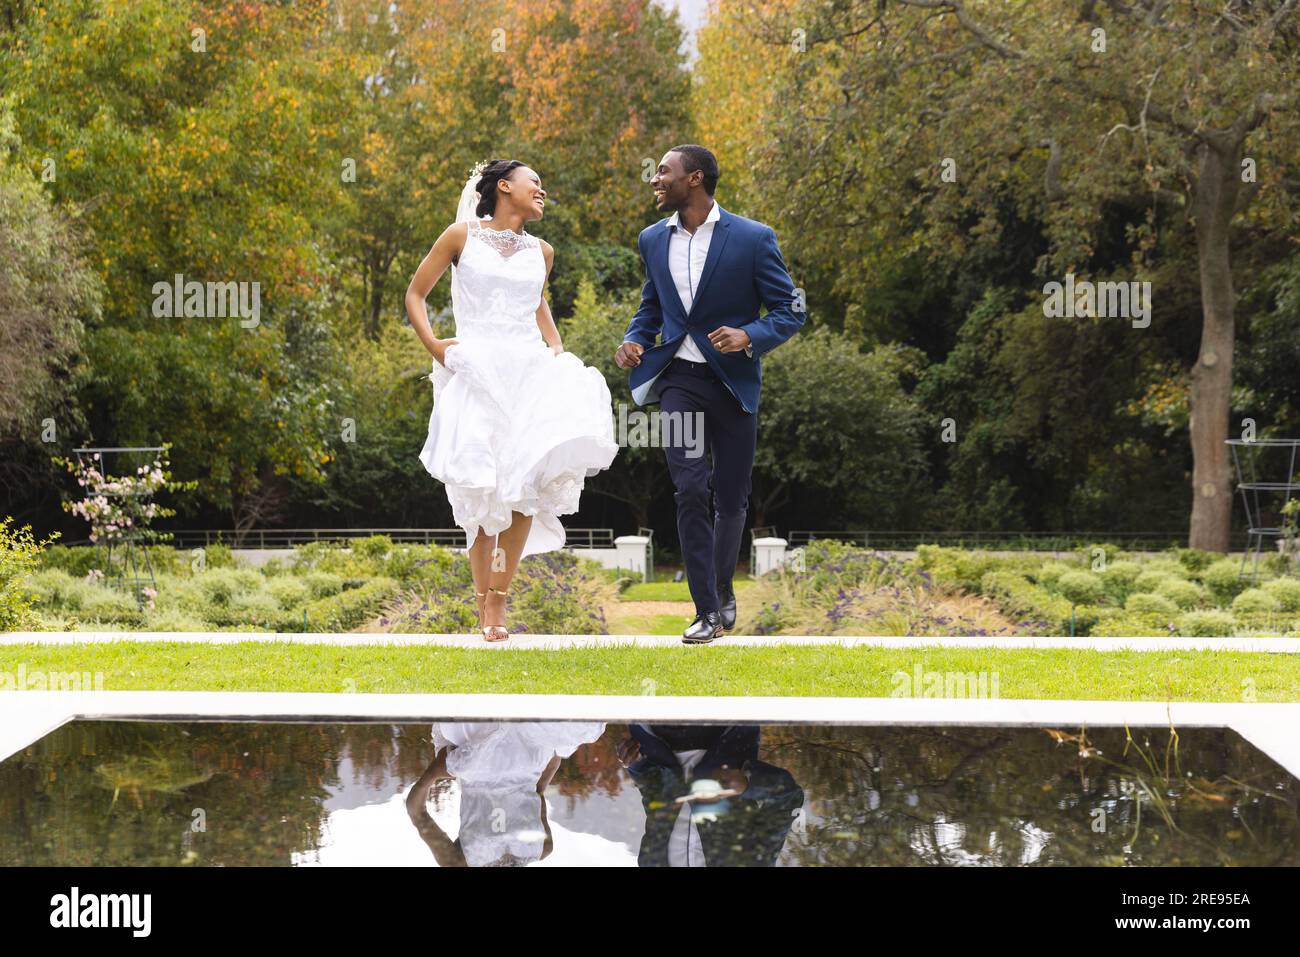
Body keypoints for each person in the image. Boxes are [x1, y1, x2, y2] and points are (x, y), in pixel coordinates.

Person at [407, 160, 618, 641]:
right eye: (535, 183)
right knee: (485, 490)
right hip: (477, 371)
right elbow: (415, 294)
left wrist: (559, 352)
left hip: (528, 374)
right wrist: (436, 347)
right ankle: (482, 604)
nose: (542, 191)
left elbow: (537, 303)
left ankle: (499, 603)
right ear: (504, 187)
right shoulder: (460, 237)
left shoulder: (542, 251)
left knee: (525, 486)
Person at [616, 145, 804, 643]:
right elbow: (651, 305)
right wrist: (635, 338)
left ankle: (722, 590)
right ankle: (705, 610)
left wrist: (749, 335)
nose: (656, 179)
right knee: (690, 488)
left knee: (733, 498)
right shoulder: (652, 239)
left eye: (664, 172)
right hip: (679, 381)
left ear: (694, 178)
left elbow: (791, 309)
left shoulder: (752, 237)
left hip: (734, 384)